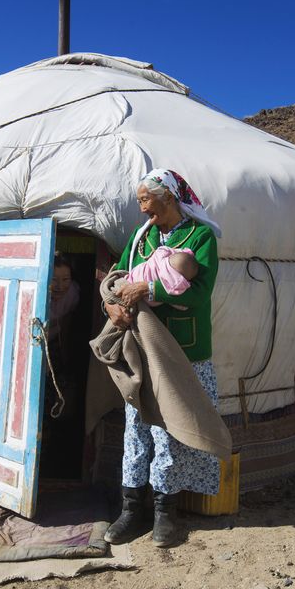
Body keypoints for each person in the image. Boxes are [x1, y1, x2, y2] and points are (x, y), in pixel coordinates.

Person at [103, 168, 222, 548]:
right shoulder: (142, 238)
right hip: (139, 348)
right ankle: (131, 509)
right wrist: (111, 306)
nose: (141, 210)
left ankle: (165, 512)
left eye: (144, 200)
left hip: (182, 350)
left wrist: (150, 287)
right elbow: (116, 276)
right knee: (136, 427)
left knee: (171, 431)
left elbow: (199, 293)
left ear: (167, 197)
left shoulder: (200, 236)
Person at [123, 246, 198, 308]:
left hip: (137, 305)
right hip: (124, 284)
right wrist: (111, 306)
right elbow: (182, 306)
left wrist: (149, 288)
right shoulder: (141, 233)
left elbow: (197, 295)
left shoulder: (202, 235)